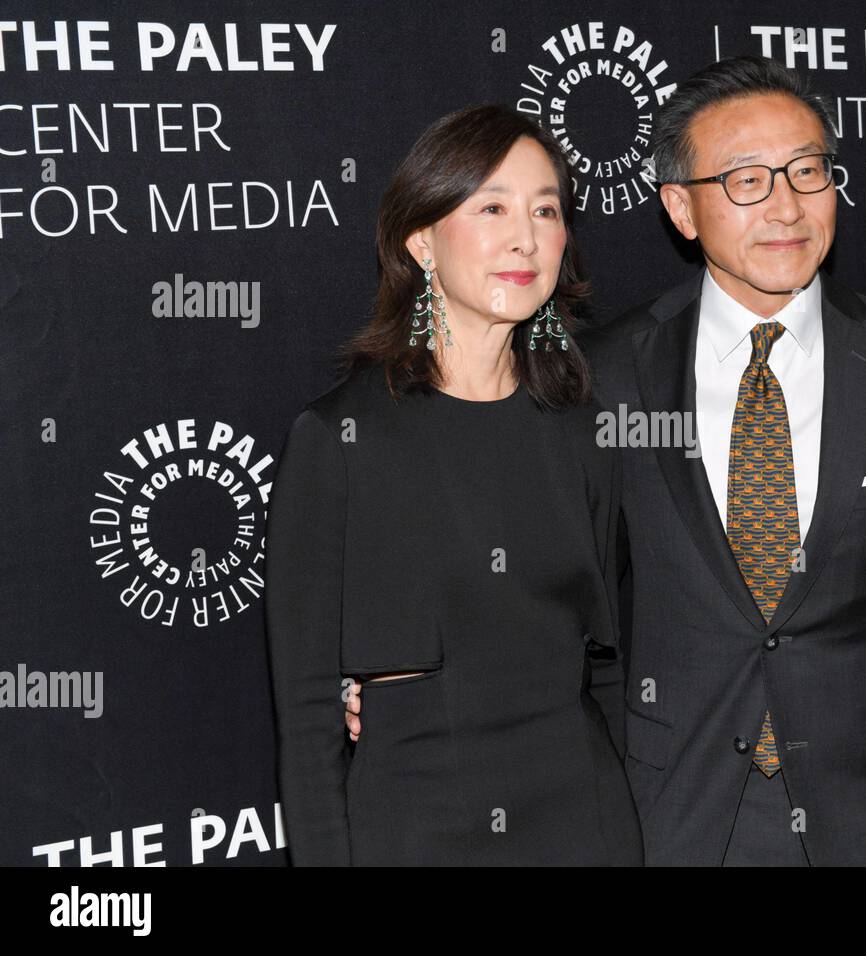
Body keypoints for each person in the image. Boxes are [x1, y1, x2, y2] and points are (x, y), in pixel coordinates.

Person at [350, 55, 866, 866]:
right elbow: (533, 579)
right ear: (681, 208)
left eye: (808, 171)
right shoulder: (603, 376)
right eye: (746, 180)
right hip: (677, 820)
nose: (785, 206)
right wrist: (404, 686)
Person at [263, 104, 642, 866]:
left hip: (585, 817)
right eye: (492, 206)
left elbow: (610, 666)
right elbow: (307, 723)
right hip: (417, 824)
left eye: (546, 209)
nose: (525, 236)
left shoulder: (585, 428)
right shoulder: (341, 439)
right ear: (420, 240)